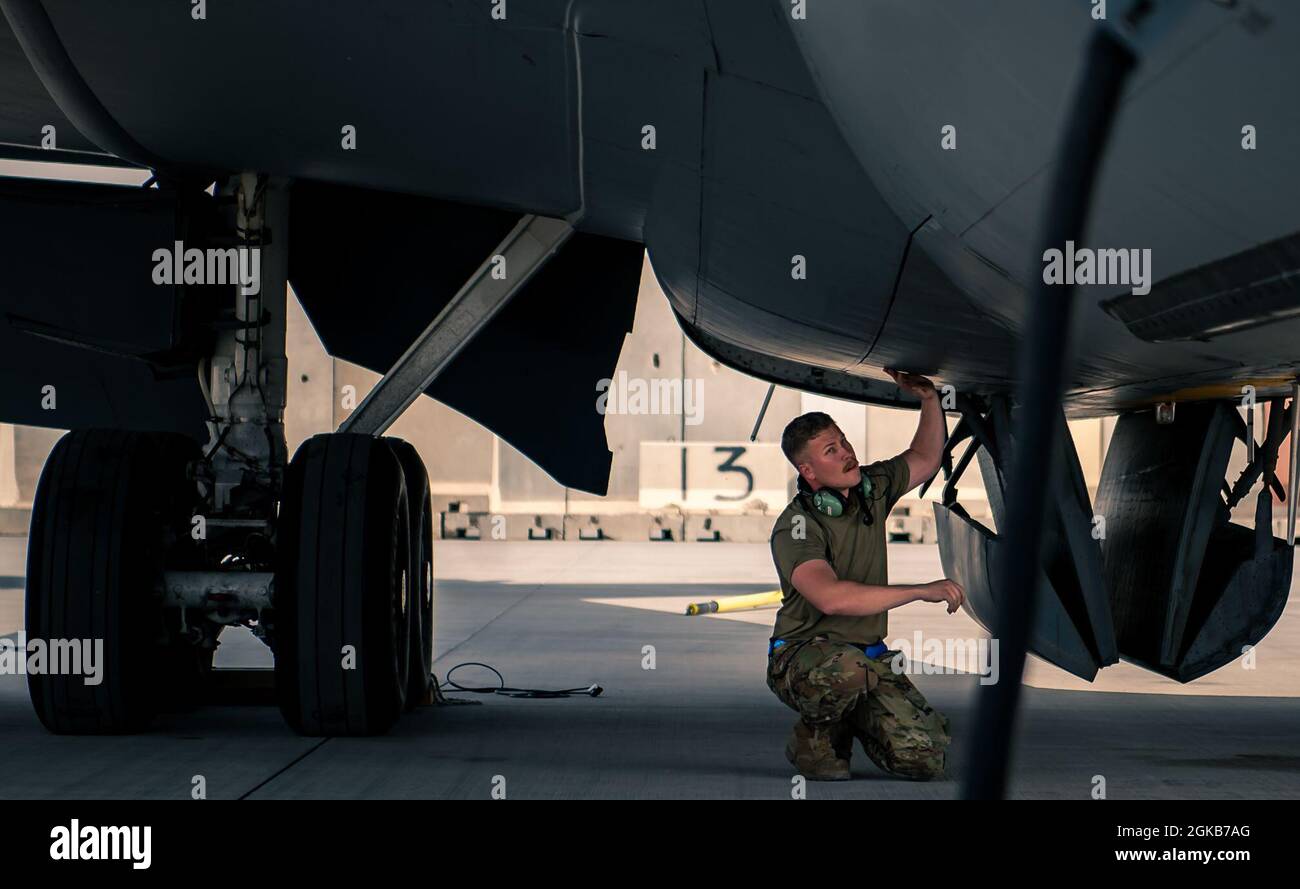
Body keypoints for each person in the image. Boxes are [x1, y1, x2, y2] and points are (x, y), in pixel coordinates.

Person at [767, 370, 965, 781]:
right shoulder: (797, 527)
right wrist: (918, 591)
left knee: (925, 758)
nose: (846, 453)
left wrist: (929, 400)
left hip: (866, 659)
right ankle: (814, 736)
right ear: (809, 472)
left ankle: (858, 716)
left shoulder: (871, 489)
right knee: (847, 672)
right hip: (803, 657)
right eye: (830, 450)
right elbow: (832, 598)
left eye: (843, 442)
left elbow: (926, 458)